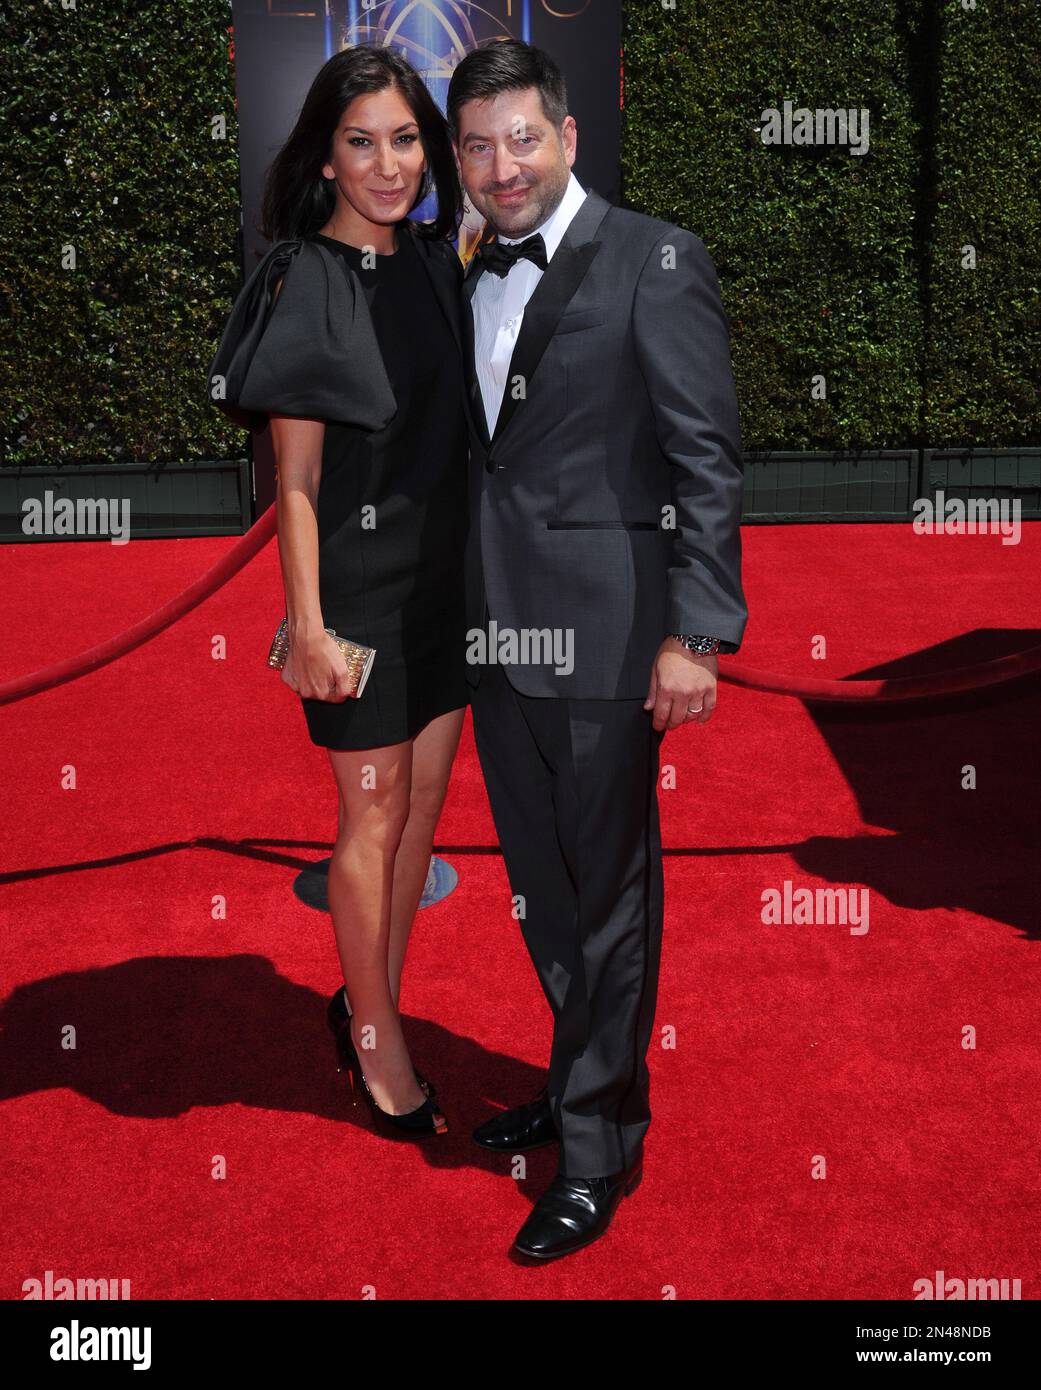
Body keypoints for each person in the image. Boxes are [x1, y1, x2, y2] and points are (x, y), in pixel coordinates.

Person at [447, 40, 749, 1258]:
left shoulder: (654, 259)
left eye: (521, 138)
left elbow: (707, 457)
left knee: (612, 899)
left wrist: (697, 632)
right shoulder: (461, 262)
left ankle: (597, 1148)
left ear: (567, 137)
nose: (501, 165)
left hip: (613, 637)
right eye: (476, 145)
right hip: (493, 634)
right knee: (544, 889)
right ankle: (582, 1080)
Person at [207, 46, 470, 1139]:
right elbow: (297, 481)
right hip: (356, 592)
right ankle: (377, 1044)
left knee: (418, 811)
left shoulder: (435, 265)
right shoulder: (301, 277)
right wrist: (306, 626)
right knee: (368, 816)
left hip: (447, 582)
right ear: (326, 152)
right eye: (361, 141)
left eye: (404, 138)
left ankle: (372, 999)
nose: (387, 162)